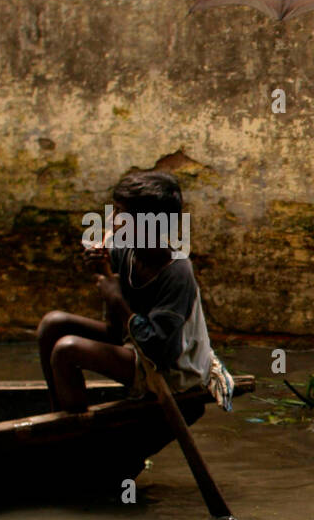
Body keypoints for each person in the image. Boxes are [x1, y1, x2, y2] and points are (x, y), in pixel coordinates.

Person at [37, 171, 232, 413]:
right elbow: (115, 330)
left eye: (120, 213)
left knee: (67, 350)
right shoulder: (125, 252)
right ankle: (58, 413)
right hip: (135, 341)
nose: (112, 219)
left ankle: (77, 432)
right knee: (52, 324)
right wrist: (102, 269)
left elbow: (159, 353)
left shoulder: (177, 272)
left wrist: (117, 298)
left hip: (170, 368)